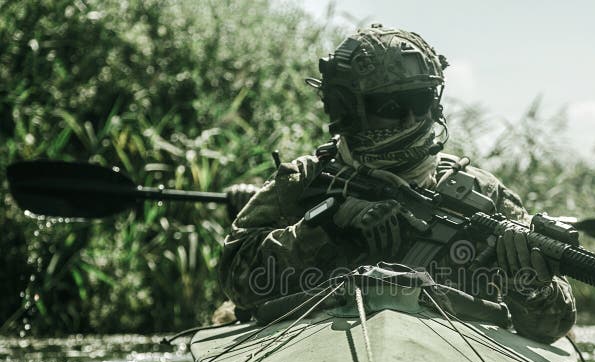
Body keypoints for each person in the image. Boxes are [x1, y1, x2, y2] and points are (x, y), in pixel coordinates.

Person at [219, 24, 575, 343]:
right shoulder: (302, 183)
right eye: (390, 105)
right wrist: (325, 224)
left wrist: (529, 284)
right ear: (347, 107)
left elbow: (554, 325)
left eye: (421, 101)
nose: (411, 118)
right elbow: (237, 283)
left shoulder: (483, 194)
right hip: (314, 357)